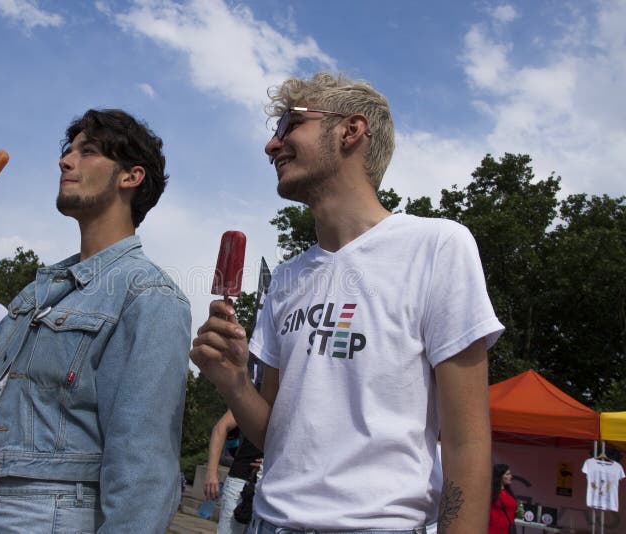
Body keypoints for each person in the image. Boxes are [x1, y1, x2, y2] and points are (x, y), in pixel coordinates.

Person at [191, 72, 505, 534]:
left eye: (289, 124)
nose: (271, 146)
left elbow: (467, 444)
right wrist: (234, 382)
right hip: (268, 522)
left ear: (350, 130)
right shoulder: (286, 278)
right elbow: (275, 437)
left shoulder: (437, 247)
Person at [0, 108, 191, 532]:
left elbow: (144, 461)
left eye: (87, 152)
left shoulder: (147, 294)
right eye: (68, 151)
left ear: (131, 176)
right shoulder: (38, 292)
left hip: (47, 514)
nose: (65, 161)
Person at [204, 409, 263, 534]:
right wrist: (211, 473)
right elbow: (221, 427)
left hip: (273, 488)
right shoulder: (259, 397)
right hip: (241, 483)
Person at [489, 464, 517, 534]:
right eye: (507, 474)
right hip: (494, 530)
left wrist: (517, 513)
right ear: (500, 476)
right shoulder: (492, 492)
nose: (511, 476)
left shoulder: (508, 492)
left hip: (509, 530)